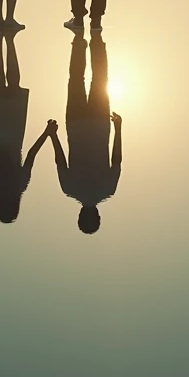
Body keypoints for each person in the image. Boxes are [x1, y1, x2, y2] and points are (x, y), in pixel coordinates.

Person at [0, 27, 57, 223]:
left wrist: (47, 133)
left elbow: (31, 155)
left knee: (13, 86)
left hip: (13, 134)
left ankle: (10, 41)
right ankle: (0, 40)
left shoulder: (18, 185)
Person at [49, 33, 122, 234]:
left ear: (98, 216)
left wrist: (118, 130)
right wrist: (52, 135)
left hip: (99, 125)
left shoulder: (108, 189)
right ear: (80, 215)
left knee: (100, 79)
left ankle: (97, 38)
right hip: (76, 124)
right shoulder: (69, 189)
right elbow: (60, 161)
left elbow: (117, 160)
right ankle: (79, 39)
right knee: (76, 79)